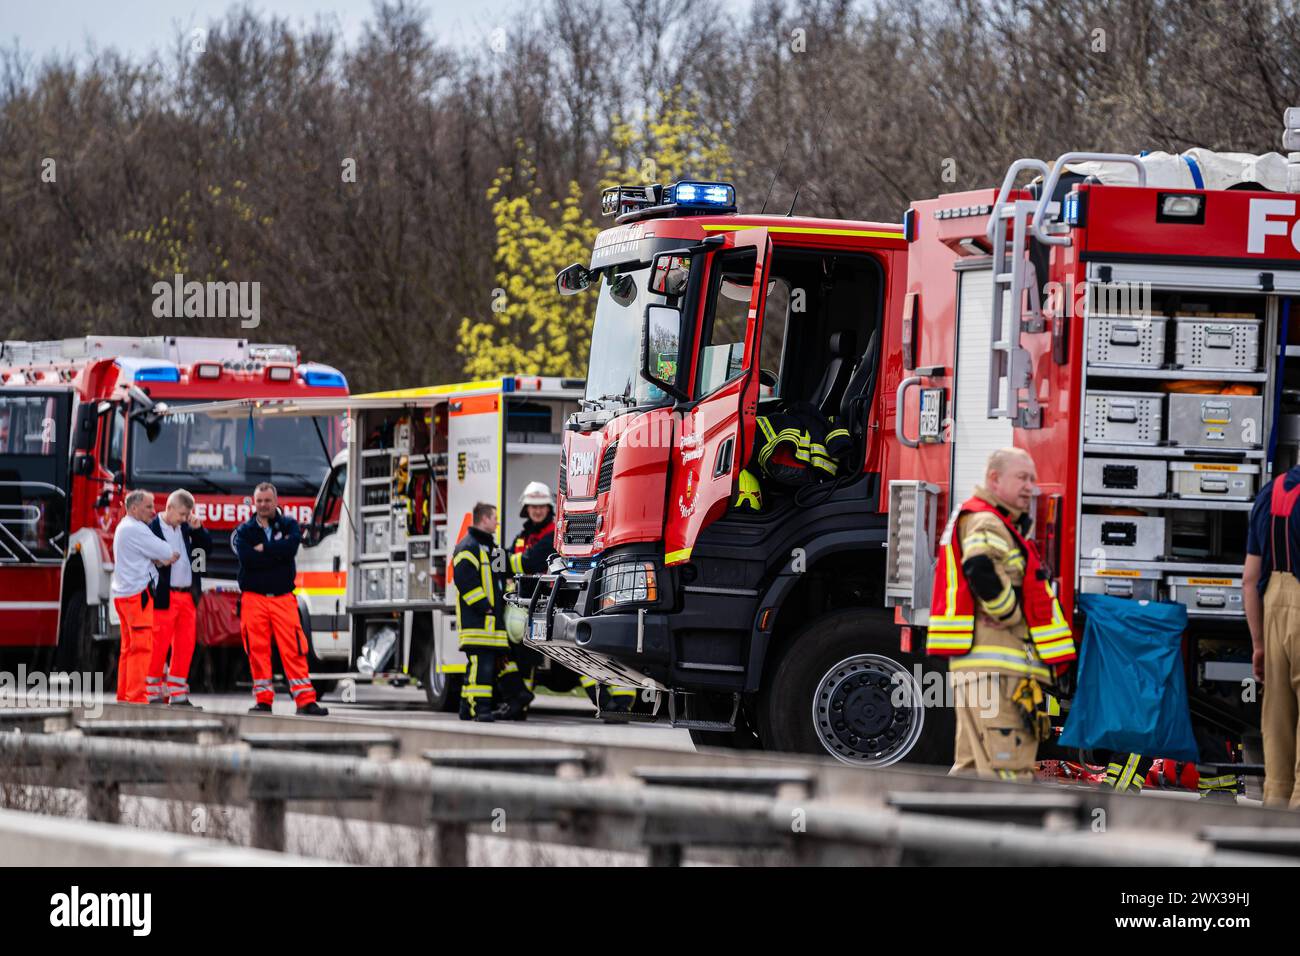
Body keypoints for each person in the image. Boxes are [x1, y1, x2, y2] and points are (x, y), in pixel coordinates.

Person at [927, 448, 1076, 780]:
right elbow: (980, 568)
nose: (1030, 487)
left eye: (1033, 479)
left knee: (970, 767)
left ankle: (934, 830)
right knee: (1008, 768)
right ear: (995, 479)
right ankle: (1009, 828)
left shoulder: (983, 518)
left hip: (979, 666)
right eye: (1022, 478)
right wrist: (1009, 614)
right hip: (997, 669)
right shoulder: (987, 521)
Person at [232, 482, 328, 716]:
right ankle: (263, 701)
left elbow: (291, 548)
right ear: (254, 503)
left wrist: (264, 549)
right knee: (257, 650)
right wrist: (275, 553)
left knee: (294, 649)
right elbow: (248, 559)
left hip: (284, 598)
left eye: (267, 500)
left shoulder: (289, 524)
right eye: (259, 501)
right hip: (253, 600)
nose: (263, 505)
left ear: (276, 502)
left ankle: (305, 701)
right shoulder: (244, 531)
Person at [1244, 461, 1300, 808]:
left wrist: (1259, 644)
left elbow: (1250, 578)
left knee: (1277, 725)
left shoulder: (1272, 492)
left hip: (1273, 607)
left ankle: (1276, 814)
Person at [453, 501, 531, 721]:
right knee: (483, 667)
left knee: (477, 667)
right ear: (484, 519)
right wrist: (485, 607)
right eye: (494, 518)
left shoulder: (494, 549)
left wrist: (506, 603)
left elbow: (503, 578)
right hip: (477, 622)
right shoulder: (467, 547)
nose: (497, 522)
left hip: (493, 623)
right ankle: (482, 710)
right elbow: (465, 582)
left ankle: (465, 709)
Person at [110, 490, 179, 703]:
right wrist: (162, 558)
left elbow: (154, 555)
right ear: (133, 508)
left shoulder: (125, 527)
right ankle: (137, 697)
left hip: (124, 595)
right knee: (141, 648)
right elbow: (168, 552)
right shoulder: (137, 529)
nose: (153, 511)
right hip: (137, 596)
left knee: (128, 649)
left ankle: (125, 695)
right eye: (148, 507)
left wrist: (157, 559)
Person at [146, 489, 211, 707]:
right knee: (158, 645)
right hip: (164, 596)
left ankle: (178, 693)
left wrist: (199, 530)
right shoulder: (152, 529)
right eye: (182, 514)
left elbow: (204, 552)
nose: (184, 519)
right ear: (170, 508)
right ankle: (152, 692)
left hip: (187, 597)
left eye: (187, 515)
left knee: (185, 646)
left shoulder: (187, 528)